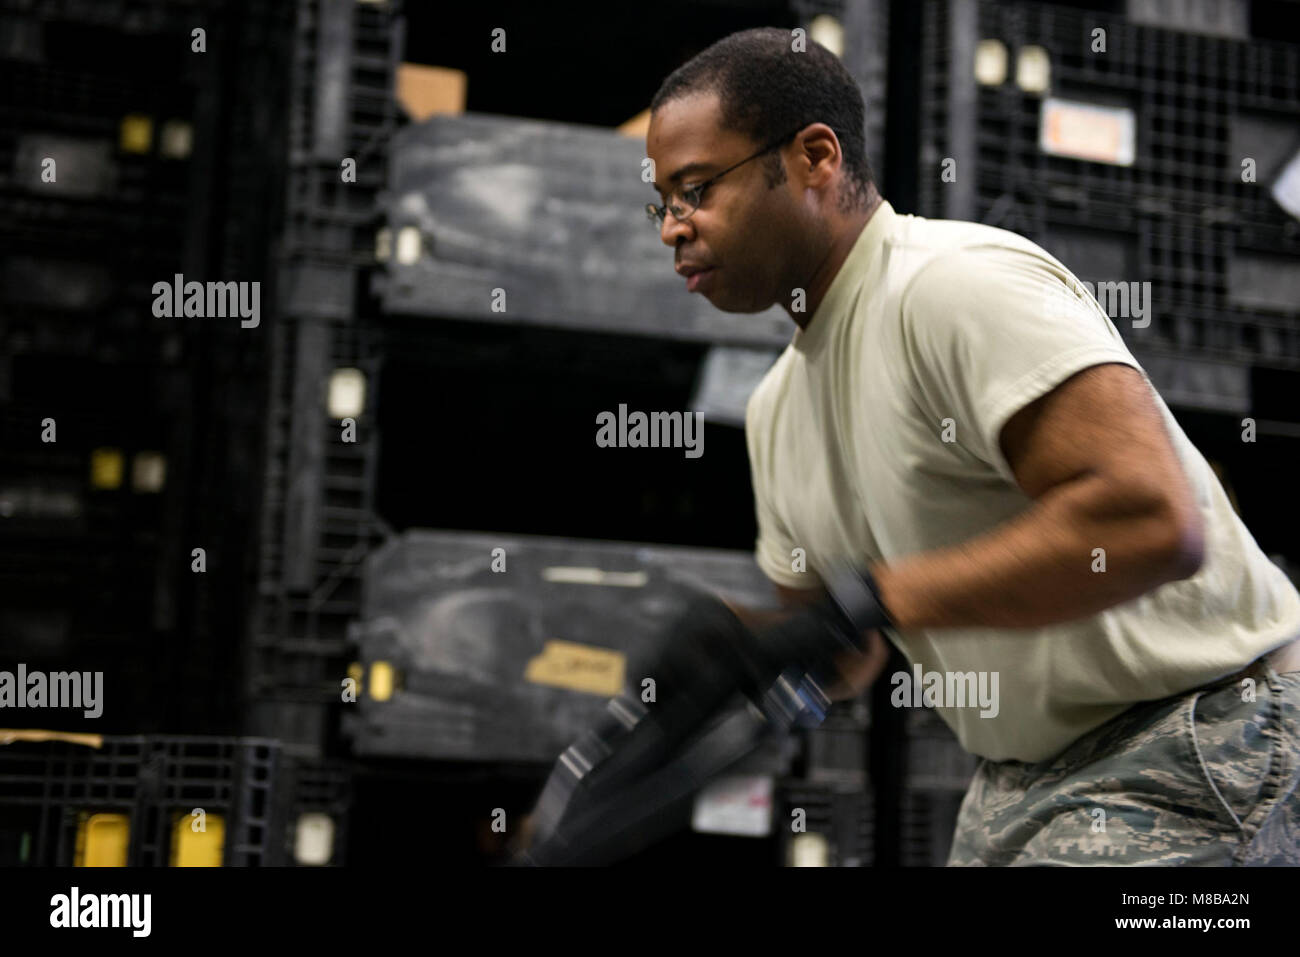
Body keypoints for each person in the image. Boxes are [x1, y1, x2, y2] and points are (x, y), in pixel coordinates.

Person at [643, 27, 1300, 865]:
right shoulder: (778, 410)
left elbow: (1151, 522)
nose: (673, 228)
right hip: (1019, 776)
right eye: (662, 201)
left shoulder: (955, 287)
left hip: (1198, 732)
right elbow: (849, 648)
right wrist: (746, 646)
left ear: (814, 158)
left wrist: (881, 595)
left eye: (697, 189)